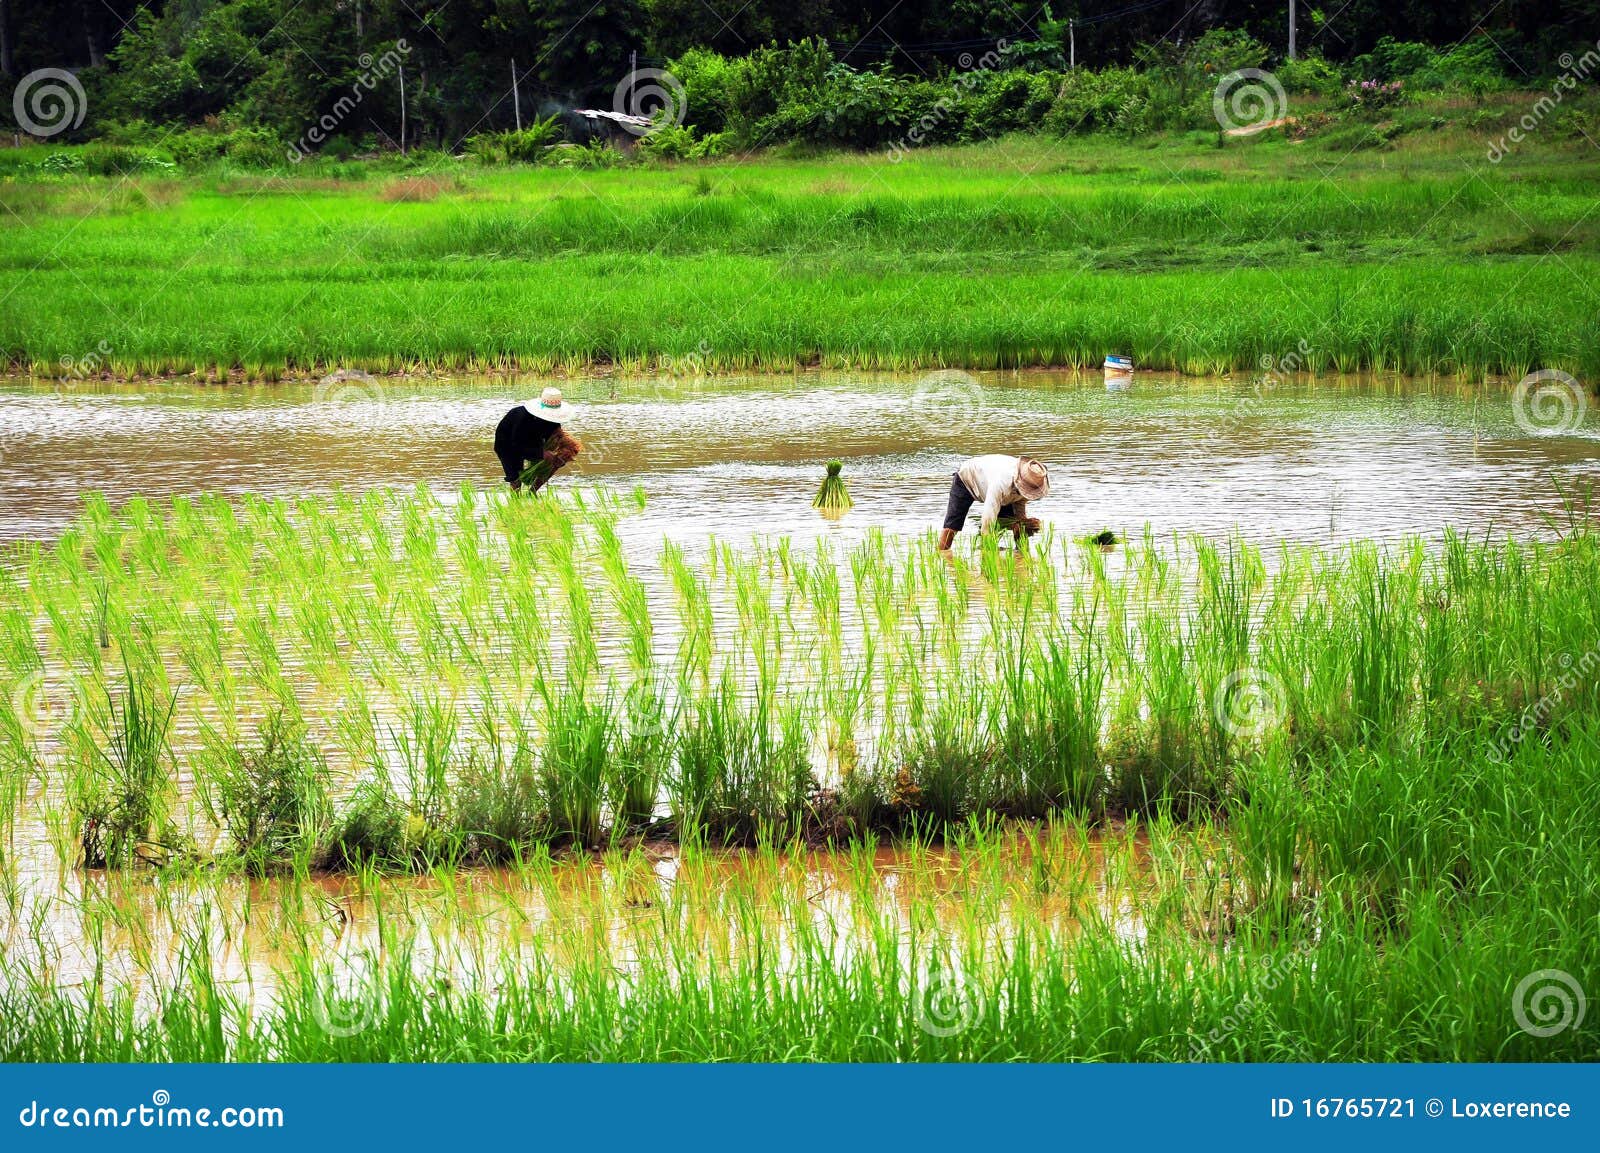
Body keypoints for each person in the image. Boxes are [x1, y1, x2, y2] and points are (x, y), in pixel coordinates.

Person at [936, 454, 1049, 550]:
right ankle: (941, 555)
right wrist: (988, 548)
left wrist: (1022, 522)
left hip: (1002, 489)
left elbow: (1020, 506)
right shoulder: (1001, 483)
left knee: (1017, 525)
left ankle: (1021, 555)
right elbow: (988, 519)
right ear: (1020, 482)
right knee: (952, 526)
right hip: (967, 478)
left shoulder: (1031, 480)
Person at [495, 387, 577, 492]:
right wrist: (542, 453)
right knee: (516, 478)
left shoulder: (554, 420)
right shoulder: (521, 417)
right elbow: (516, 445)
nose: (551, 417)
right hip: (508, 444)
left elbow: (554, 438)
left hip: (534, 440)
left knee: (555, 461)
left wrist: (561, 455)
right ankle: (515, 498)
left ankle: (532, 492)